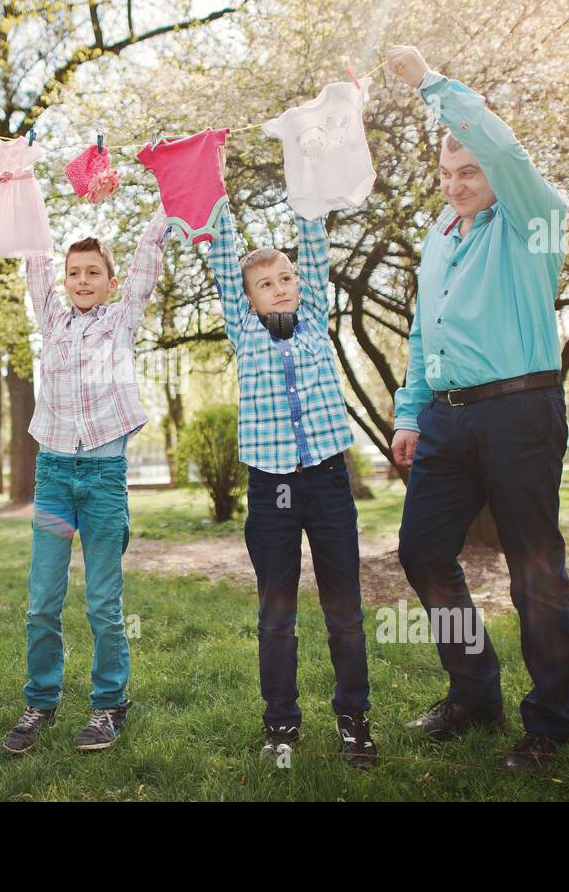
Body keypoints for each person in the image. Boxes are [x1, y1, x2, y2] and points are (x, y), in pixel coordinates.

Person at [385, 44, 569, 772]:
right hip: (446, 416)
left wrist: (431, 84)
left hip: (520, 412)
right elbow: (418, 329)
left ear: (495, 172)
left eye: (469, 170)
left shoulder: (533, 220)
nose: (457, 183)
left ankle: (552, 723)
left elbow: (503, 145)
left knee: (535, 568)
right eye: (446, 172)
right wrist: (409, 413)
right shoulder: (438, 236)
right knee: (423, 549)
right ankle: (475, 691)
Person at [205, 147, 376, 767]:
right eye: (265, 284)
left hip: (329, 482)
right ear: (246, 299)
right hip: (271, 489)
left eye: (286, 279)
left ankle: (353, 718)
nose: (279, 289)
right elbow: (225, 254)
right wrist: (214, 177)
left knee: (344, 609)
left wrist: (305, 155)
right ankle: (281, 724)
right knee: (277, 612)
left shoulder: (315, 320)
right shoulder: (245, 329)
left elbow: (313, 234)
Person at [0, 207, 171, 753]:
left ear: (110, 282)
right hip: (53, 478)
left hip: (100, 478)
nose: (82, 281)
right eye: (74, 272)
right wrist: (22, 188)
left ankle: (108, 705)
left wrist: (166, 204)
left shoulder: (122, 320)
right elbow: (33, 257)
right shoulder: (51, 321)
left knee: (102, 601)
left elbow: (148, 261)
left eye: (93, 273)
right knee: (42, 599)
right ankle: (40, 701)